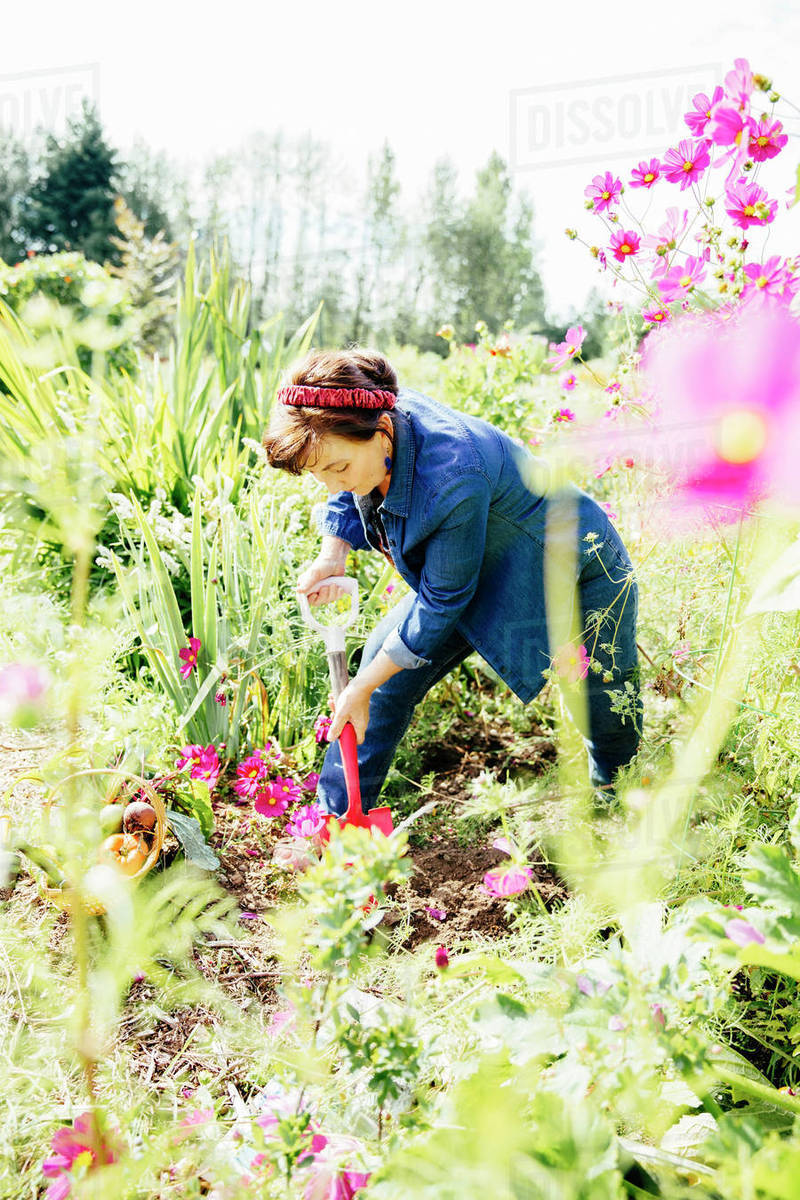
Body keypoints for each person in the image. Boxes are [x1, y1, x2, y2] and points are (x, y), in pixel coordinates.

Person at [261, 347, 642, 827]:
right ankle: (335, 819)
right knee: (379, 686)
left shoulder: (451, 473)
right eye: (317, 474)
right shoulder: (366, 413)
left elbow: (442, 603)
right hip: (465, 566)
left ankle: (618, 798)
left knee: (599, 693)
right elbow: (349, 490)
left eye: (337, 469)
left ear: (382, 431)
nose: (330, 483)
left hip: (569, 567)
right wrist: (332, 551)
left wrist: (360, 683)